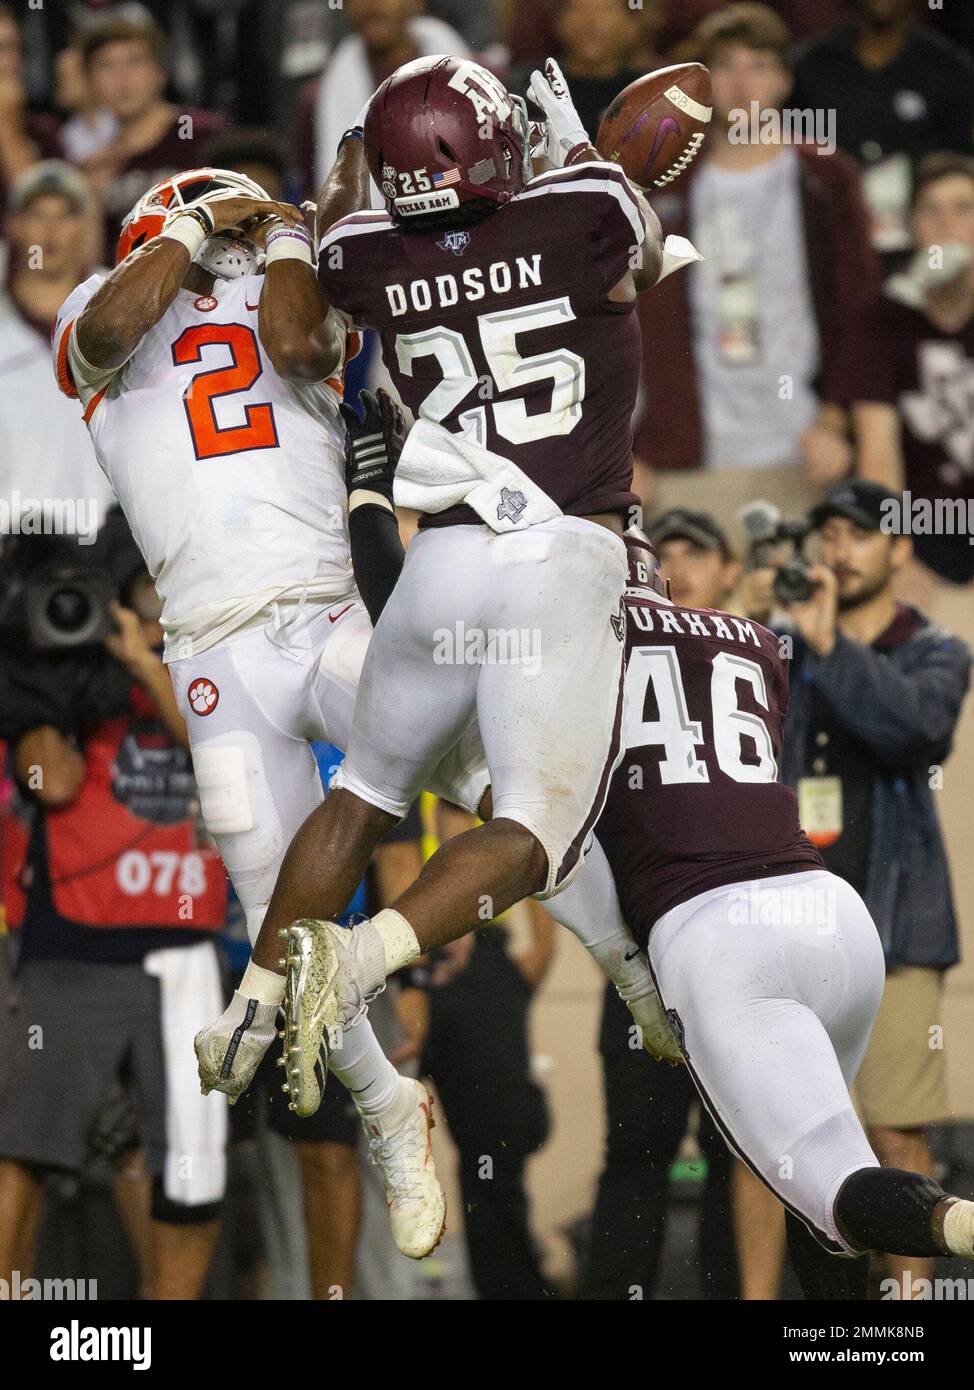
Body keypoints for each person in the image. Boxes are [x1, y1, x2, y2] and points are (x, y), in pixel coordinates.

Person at [49, 160, 488, 1262]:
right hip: (210, 649)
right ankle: (390, 1105)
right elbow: (104, 335)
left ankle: (633, 955)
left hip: (329, 612)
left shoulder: (296, 284)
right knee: (285, 941)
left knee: (505, 782)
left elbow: (299, 350)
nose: (240, 238)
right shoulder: (101, 300)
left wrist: (293, 233)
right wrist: (199, 225)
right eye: (224, 222)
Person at [239, 56, 674, 1163]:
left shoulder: (359, 254)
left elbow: (329, 253)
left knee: (364, 798)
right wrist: (577, 142)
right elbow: (642, 240)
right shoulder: (578, 210)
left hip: (440, 560)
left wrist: (331, 187)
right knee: (531, 827)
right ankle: (364, 956)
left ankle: (251, 998)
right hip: (559, 548)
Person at [737, 479, 971, 1296]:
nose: (839, 550)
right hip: (783, 922)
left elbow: (911, 728)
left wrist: (830, 646)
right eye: (828, 535)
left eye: (860, 535)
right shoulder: (783, 640)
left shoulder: (935, 647)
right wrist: (748, 621)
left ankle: (908, 1314)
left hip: (896, 926)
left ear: (900, 548)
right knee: (769, 1142)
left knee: (896, 1129)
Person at [0, 523, 228, 1300]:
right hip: (76, 944)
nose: (155, 612)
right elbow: (49, 781)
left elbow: (224, 759)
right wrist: (42, 669)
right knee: (25, 1151)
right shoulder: (63, 664)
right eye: (143, 595)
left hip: (186, 955)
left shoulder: (213, 666)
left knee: (188, 1177)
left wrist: (142, 661)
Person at [634, 2, 879, 518]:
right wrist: (627, 447)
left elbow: (861, 309)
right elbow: (625, 318)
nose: (742, 82)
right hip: (684, 457)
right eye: (724, 65)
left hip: (804, 449)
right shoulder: (663, 185)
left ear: (786, 79)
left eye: (759, 64)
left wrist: (837, 422)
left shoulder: (827, 179)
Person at [582, 508, 740, 1302]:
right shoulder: (604, 661)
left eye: (695, 551)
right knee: (636, 1155)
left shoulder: (749, 662)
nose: (675, 567)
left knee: (739, 1157)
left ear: (730, 570)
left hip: (729, 954)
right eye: (662, 553)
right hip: (642, 953)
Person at [792, 0, 974, 258]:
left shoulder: (952, 72)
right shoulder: (808, 67)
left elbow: (959, 168)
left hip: (926, 252)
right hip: (830, 247)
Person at [0, 160, 114, 531]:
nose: (50, 231)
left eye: (65, 216)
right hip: (9, 544)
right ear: (13, 225)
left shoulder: (123, 309)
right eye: (36, 215)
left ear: (86, 225)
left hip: (107, 541)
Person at [76, 13, 226, 249]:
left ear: (161, 72)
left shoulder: (204, 136)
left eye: (134, 62)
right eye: (106, 66)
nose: (122, 77)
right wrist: (89, 200)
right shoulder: (93, 168)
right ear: (90, 83)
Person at [506, 0, 651, 145]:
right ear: (558, 20)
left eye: (606, 9)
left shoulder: (648, 91)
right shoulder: (531, 85)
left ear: (631, 23)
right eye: (578, 8)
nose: (591, 21)